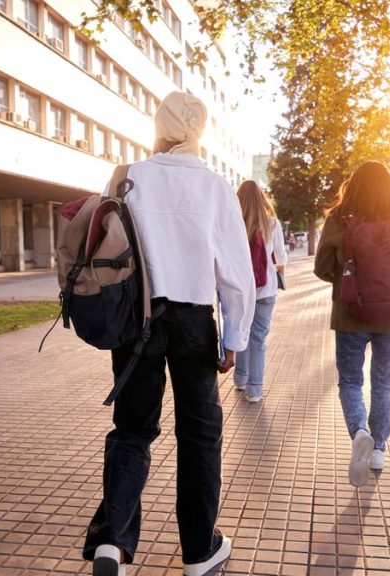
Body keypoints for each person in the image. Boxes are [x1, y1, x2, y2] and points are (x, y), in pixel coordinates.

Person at [82, 91, 255, 576]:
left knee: (133, 428)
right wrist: (235, 339)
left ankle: (112, 541)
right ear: (199, 132)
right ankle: (200, 551)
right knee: (199, 434)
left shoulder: (128, 176)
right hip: (194, 319)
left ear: (157, 127)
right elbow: (236, 274)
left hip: (134, 317)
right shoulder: (215, 186)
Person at [314, 161, 390, 487]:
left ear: (352, 186)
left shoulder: (339, 218)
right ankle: (380, 449)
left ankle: (359, 431)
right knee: (383, 383)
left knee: (351, 382)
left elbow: (322, 267)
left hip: (350, 315)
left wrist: (348, 282)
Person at [233, 180, 286, 403]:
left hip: (240, 290)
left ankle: (240, 378)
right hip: (266, 290)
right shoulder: (272, 224)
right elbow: (281, 258)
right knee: (258, 339)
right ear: (261, 198)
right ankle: (254, 390)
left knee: (242, 332)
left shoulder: (234, 223)